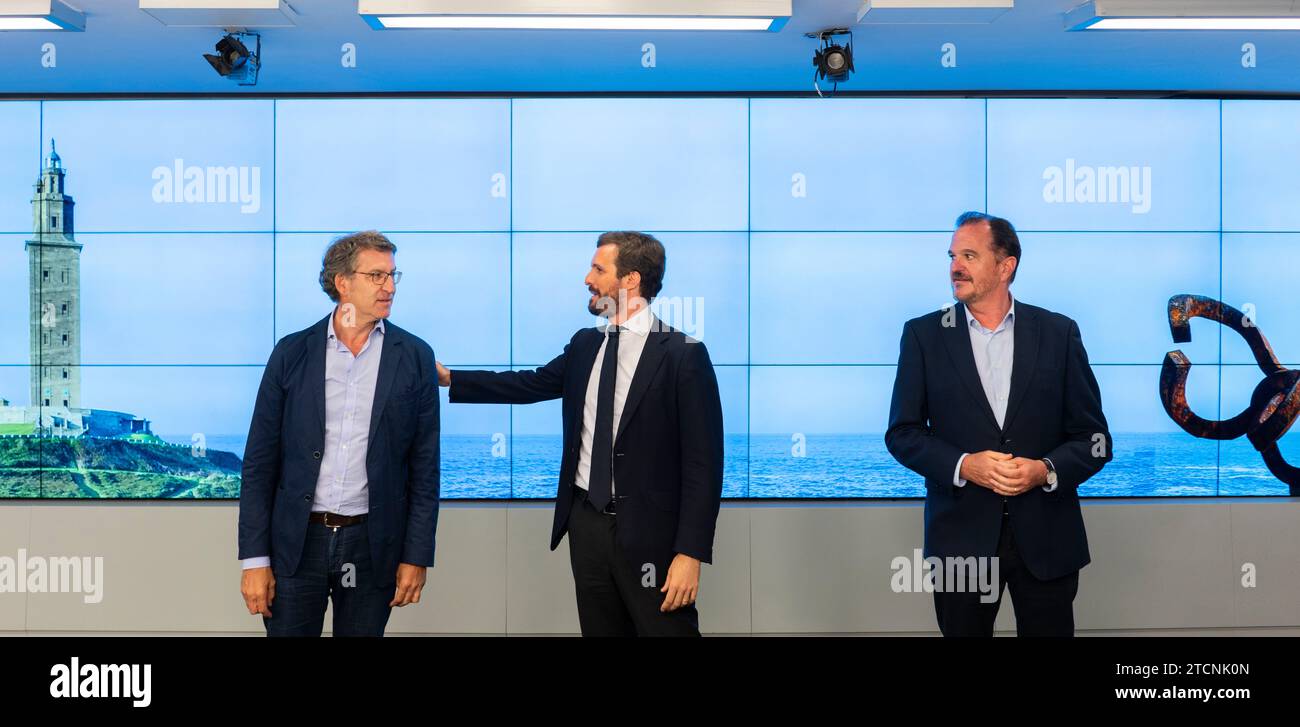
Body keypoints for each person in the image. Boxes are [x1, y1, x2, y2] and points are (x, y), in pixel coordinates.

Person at [439, 231, 723, 636]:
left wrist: (690, 553)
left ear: (631, 280)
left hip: (653, 539)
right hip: (586, 527)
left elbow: (704, 464)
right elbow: (530, 384)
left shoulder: (683, 353)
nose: (587, 279)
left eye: (598, 269)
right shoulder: (585, 343)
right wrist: (450, 379)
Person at [885, 211, 1112, 637]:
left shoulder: (1059, 333)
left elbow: (1095, 439)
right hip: (960, 546)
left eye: (969, 255)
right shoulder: (923, 335)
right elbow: (902, 434)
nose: (956, 266)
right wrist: (964, 465)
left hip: (1047, 542)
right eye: (953, 255)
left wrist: (1044, 470)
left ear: (1006, 266)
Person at [238, 230, 440, 636]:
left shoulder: (415, 356)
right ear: (342, 282)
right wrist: (254, 561)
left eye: (393, 276)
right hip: (297, 544)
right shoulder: (291, 353)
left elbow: (425, 467)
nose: (389, 287)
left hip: (372, 545)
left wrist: (415, 556)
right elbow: (260, 463)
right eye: (377, 276)